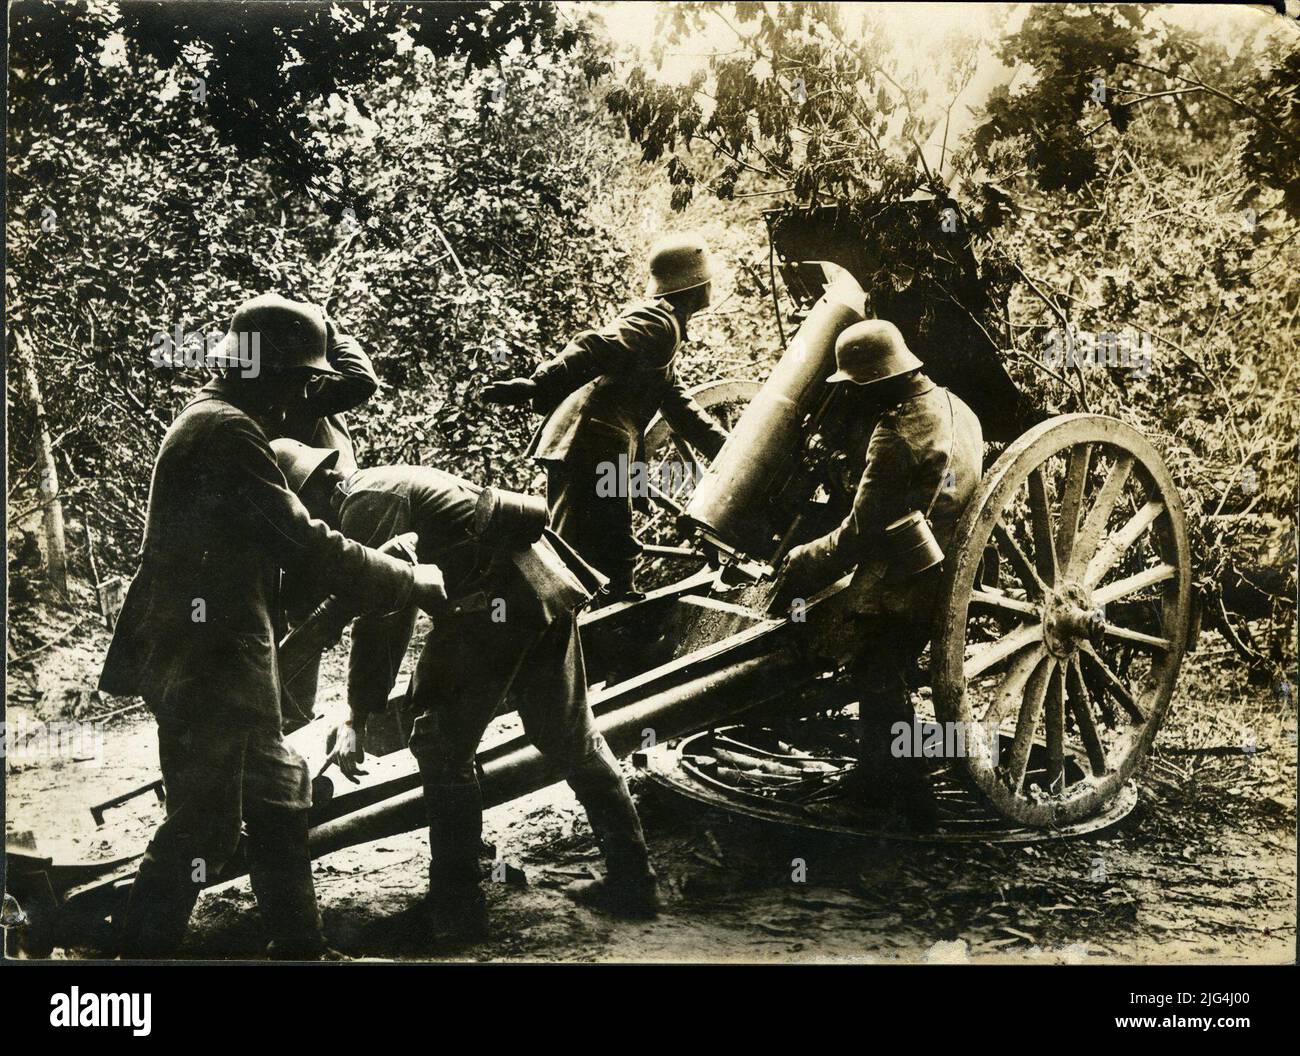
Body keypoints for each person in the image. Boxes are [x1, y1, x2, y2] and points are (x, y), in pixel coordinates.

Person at [99, 293, 450, 959]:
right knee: (201, 828)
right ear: (268, 375)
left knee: (279, 793)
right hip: (203, 653)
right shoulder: (226, 433)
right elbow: (304, 541)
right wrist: (409, 579)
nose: (304, 399)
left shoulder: (223, 421)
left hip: (225, 645)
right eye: (299, 381)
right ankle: (136, 964)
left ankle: (301, 948)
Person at [270, 439, 661, 946]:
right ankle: (635, 879)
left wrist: (357, 716)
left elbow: (386, 616)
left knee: (438, 742)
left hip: (496, 606)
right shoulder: (379, 484)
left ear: (308, 493)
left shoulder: (365, 502)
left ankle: (455, 912)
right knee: (567, 733)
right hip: (540, 590)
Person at [779, 320, 983, 828]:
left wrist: (806, 559)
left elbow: (861, 532)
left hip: (904, 582)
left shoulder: (895, 431)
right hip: (952, 569)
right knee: (882, 676)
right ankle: (876, 778)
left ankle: (907, 801)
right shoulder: (959, 409)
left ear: (875, 381)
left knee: (875, 676)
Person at [482, 234, 729, 601]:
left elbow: (677, 405)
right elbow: (596, 346)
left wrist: (730, 450)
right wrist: (538, 384)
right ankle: (550, 618)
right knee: (571, 542)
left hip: (597, 441)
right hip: (591, 440)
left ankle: (605, 601)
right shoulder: (658, 324)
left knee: (600, 530)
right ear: (696, 285)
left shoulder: (666, 330)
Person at [271, 306, 382, 724]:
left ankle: (294, 714)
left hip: (319, 507)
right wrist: (328, 329)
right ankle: (297, 715)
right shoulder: (302, 398)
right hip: (324, 510)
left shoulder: (295, 392)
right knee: (315, 616)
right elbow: (362, 378)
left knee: (308, 616)